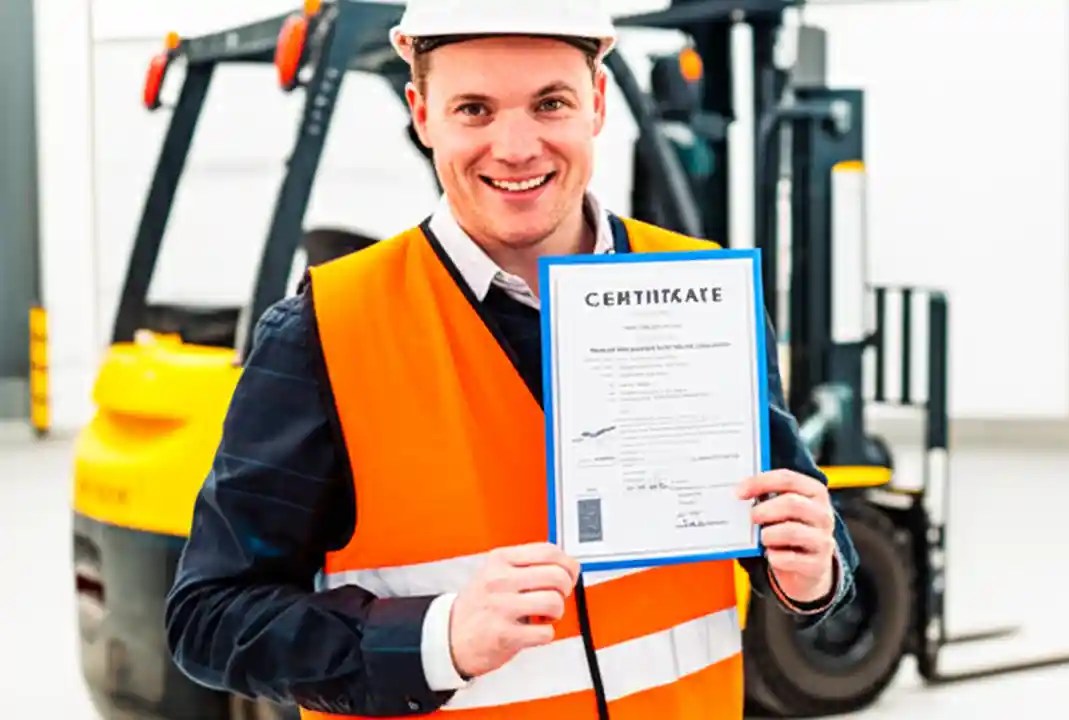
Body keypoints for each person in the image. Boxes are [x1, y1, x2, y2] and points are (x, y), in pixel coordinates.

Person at [164, 1, 859, 718]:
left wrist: (816, 571)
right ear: (423, 114)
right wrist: (436, 640)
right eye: (474, 110)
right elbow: (210, 619)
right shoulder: (325, 333)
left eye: (550, 103)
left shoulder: (702, 293)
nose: (517, 147)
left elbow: (778, 513)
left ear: (596, 102)